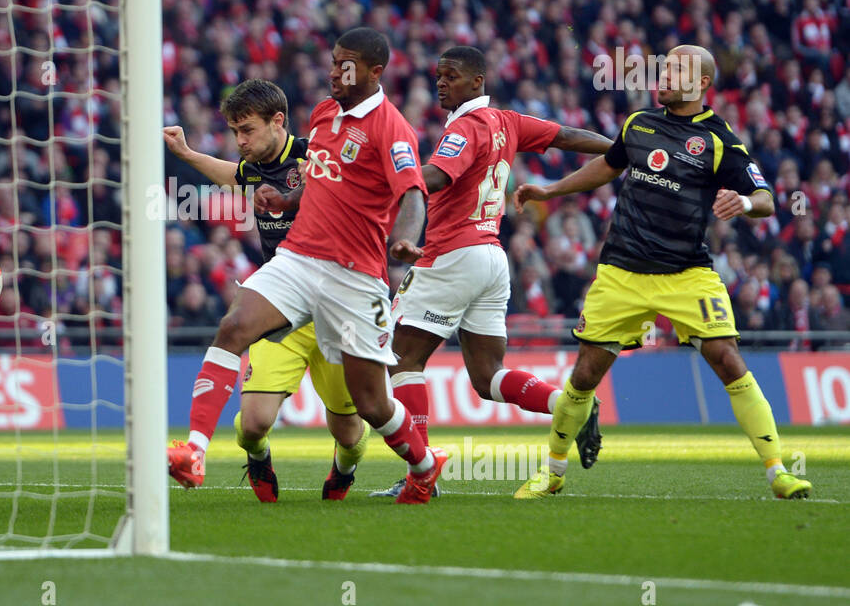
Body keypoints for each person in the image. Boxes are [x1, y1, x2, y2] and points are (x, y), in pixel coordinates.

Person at [513, 45, 813, 500]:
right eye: (665, 67)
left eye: (677, 69)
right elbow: (607, 166)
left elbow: (767, 198)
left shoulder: (719, 140)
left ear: (703, 83)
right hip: (621, 270)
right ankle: (552, 472)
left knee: (727, 358)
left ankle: (779, 472)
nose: (665, 75)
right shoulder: (639, 124)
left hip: (686, 273)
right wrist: (549, 191)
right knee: (585, 375)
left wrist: (746, 202)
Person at [168, 27, 444, 505]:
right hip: (297, 258)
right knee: (233, 327)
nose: (335, 71)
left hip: (354, 276)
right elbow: (317, 181)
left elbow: (414, 191)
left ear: (374, 71)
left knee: (372, 407)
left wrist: (403, 238)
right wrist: (287, 200)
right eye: (334, 62)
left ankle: (423, 467)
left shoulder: (392, 127)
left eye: (346, 65)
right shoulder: (322, 114)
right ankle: (194, 451)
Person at [372, 46, 612, 498]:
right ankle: (569, 406)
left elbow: (439, 177)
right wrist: (622, 151)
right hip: (491, 257)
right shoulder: (510, 121)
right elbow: (567, 136)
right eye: (439, 75)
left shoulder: (465, 127)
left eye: (453, 76)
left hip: (451, 254)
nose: (442, 82)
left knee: (403, 360)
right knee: (487, 376)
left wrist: (387, 175)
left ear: (477, 81)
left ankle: (420, 477)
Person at [163, 78, 370, 502]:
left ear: (278, 122)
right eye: (235, 132)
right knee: (253, 423)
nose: (239, 141)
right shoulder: (253, 165)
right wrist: (185, 154)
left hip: (335, 306)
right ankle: (254, 457)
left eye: (247, 130)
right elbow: (231, 176)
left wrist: (291, 196)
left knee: (348, 431)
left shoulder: (317, 153)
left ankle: (344, 469)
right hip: (282, 305)